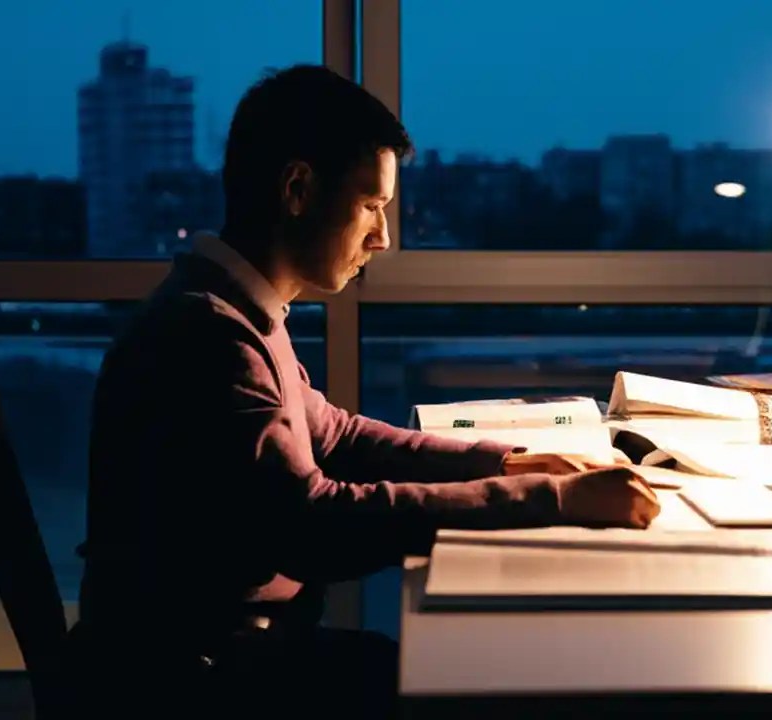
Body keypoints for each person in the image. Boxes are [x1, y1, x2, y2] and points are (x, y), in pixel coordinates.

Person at [69, 64, 660, 718]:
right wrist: (551, 498)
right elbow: (308, 523)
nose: (383, 238)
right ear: (297, 189)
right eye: (371, 206)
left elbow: (338, 434)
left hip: (226, 654)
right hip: (193, 683)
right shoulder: (209, 335)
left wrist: (503, 462)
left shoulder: (234, 313)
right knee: (493, 682)